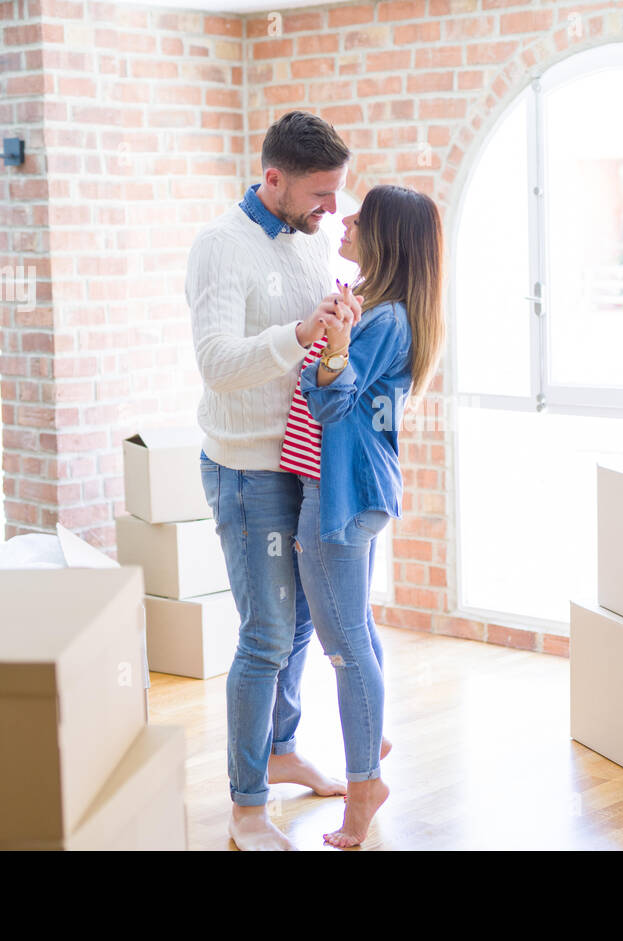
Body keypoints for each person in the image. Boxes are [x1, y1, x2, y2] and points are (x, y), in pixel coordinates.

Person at [186, 111, 362, 851]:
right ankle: (246, 803)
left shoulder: (314, 239)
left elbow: (315, 338)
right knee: (263, 635)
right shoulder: (219, 247)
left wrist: (338, 321)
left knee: (295, 627)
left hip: (300, 460)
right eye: (320, 195)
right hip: (244, 470)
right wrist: (297, 335)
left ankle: (281, 747)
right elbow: (219, 364)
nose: (331, 212)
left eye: (337, 197)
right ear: (272, 179)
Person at [281, 185, 445, 847]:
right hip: (358, 489)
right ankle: (368, 736)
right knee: (356, 631)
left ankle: (363, 786)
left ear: (386, 236)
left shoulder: (383, 320)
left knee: (345, 646)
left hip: (342, 492)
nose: (344, 220)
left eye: (359, 215)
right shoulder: (387, 311)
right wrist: (334, 337)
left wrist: (333, 344)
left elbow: (329, 402)